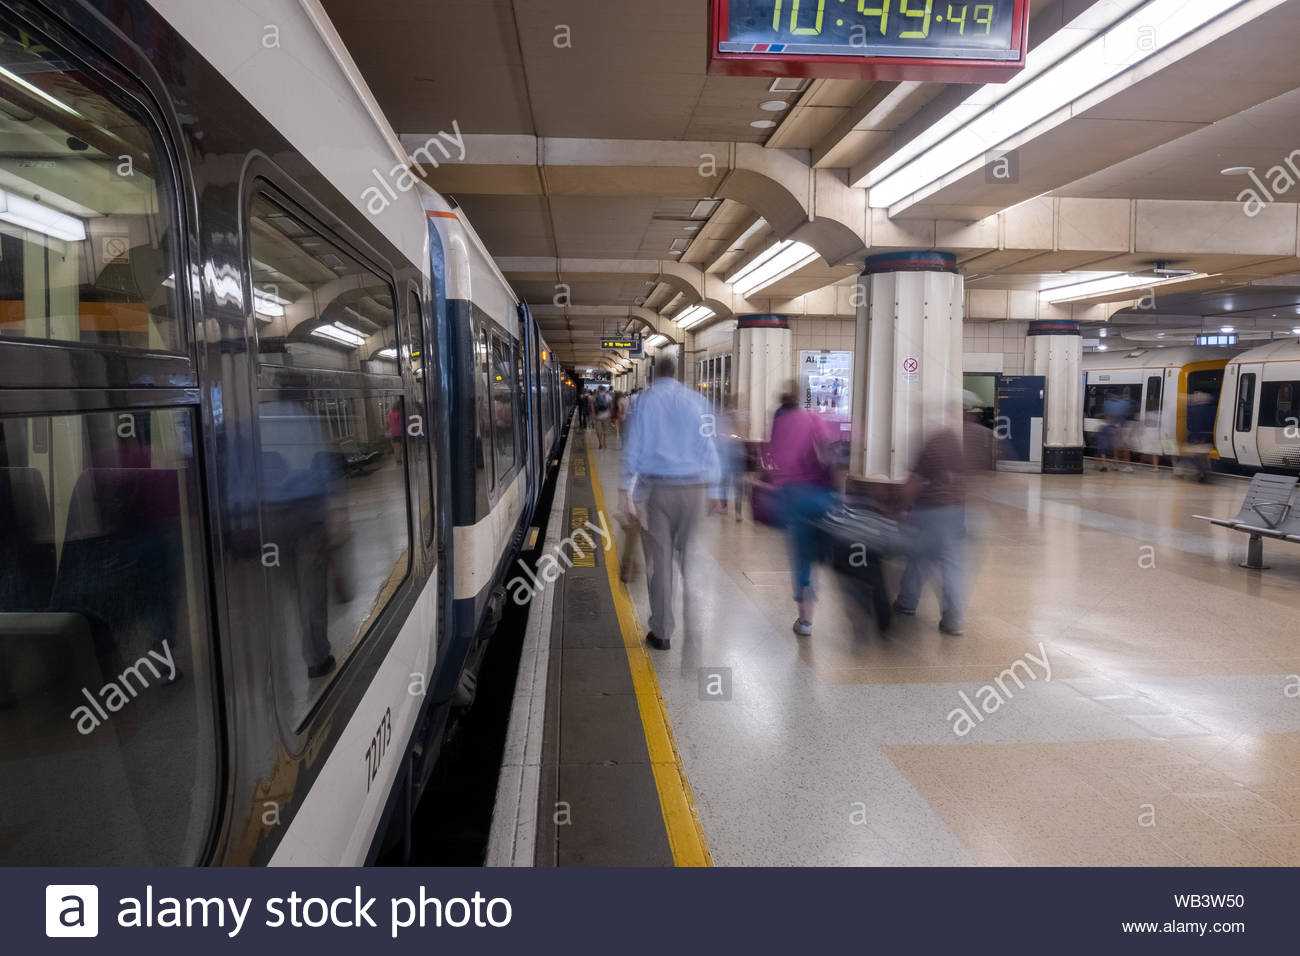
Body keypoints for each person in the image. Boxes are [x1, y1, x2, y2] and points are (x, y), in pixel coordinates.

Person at [620, 355, 720, 651]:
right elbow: (709, 446)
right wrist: (717, 489)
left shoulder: (643, 402)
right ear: (676, 374)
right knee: (690, 557)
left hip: (657, 491)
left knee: (660, 563)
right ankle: (695, 628)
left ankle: (662, 632)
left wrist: (625, 490)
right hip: (693, 490)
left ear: (653, 374)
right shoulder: (697, 401)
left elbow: (633, 447)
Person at [768, 384, 838, 637]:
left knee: (801, 559)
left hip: (792, 498)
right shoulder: (814, 418)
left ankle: (805, 620)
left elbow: (774, 459)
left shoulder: (780, 423)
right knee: (824, 548)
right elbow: (828, 452)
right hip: (820, 496)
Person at [893, 421, 969, 636]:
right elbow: (963, 483)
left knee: (917, 557)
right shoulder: (955, 447)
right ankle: (952, 618)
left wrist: (902, 508)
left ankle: (907, 601)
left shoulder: (931, 446)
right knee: (950, 563)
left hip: (928, 512)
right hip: (952, 511)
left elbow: (914, 481)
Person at [1182, 390, 1215, 482]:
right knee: (1203, 458)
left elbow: (1194, 425)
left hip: (1198, 438)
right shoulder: (1211, 409)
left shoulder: (1196, 410)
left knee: (1196, 458)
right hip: (1207, 438)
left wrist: (1195, 438)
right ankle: (1205, 473)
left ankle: (1202, 474)